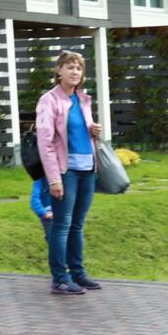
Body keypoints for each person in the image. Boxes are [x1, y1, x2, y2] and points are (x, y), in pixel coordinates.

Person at [35, 51, 103, 296]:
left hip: (87, 169)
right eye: (69, 67)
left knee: (77, 225)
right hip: (65, 172)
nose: (75, 72)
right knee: (61, 226)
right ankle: (60, 279)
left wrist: (93, 131)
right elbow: (46, 142)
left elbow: (77, 133)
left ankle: (78, 274)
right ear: (59, 71)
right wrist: (54, 178)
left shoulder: (83, 99)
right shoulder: (48, 100)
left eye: (78, 68)